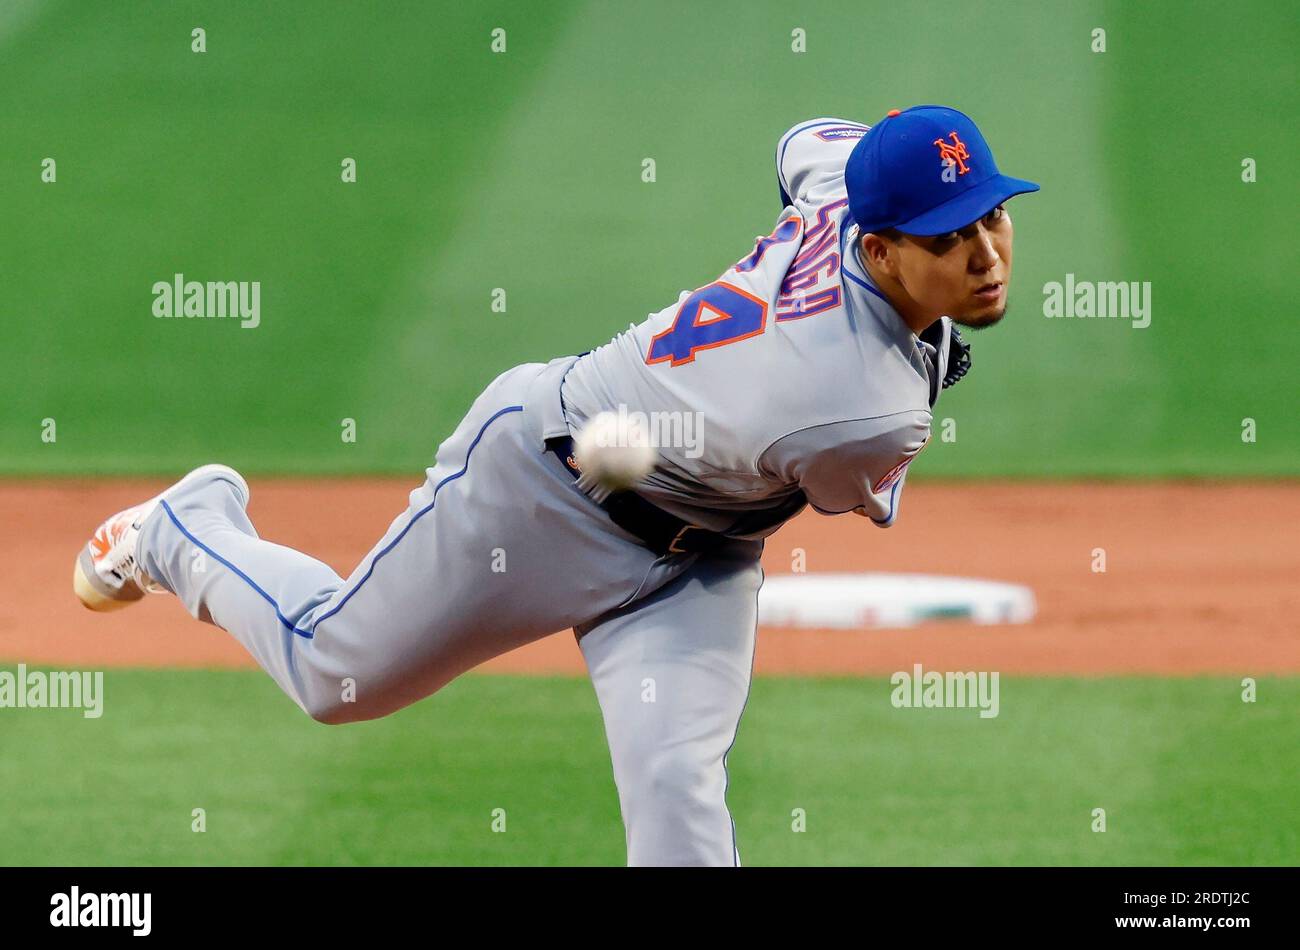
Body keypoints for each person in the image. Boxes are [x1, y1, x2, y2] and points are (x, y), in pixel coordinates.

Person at [73, 105, 1038, 866]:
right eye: (952, 236)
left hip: (699, 555)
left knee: (676, 797)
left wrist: (882, 206)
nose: (987, 254)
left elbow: (807, 142)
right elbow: (846, 494)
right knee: (338, 674)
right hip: (545, 487)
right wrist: (927, 347)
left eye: (991, 215)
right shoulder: (858, 410)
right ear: (879, 249)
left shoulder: (845, 196)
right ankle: (183, 528)